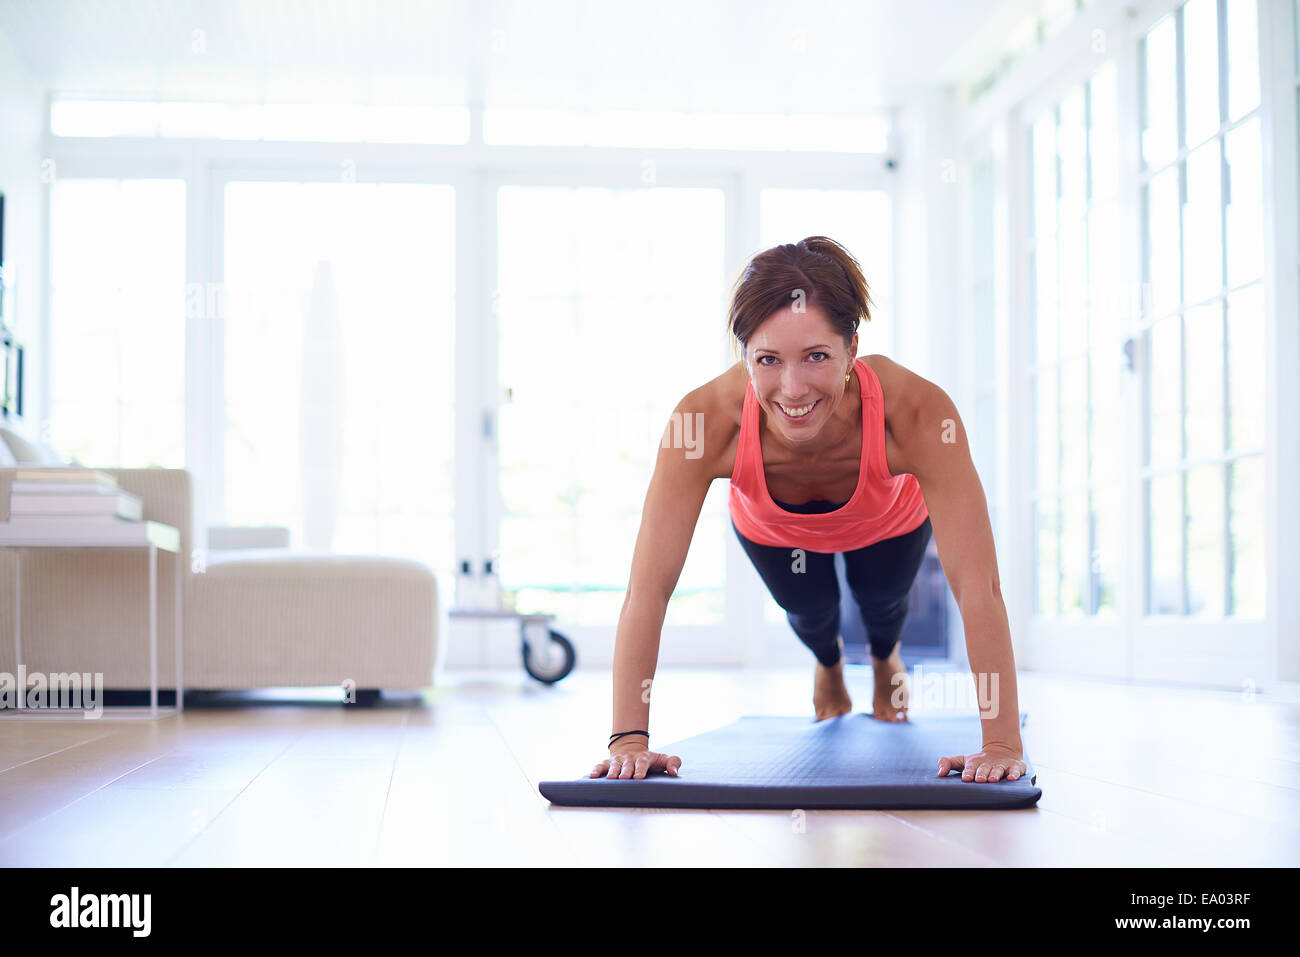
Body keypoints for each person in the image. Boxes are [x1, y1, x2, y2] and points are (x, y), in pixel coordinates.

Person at [591, 236, 1027, 785]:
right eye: (768, 360)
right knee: (810, 611)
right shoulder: (701, 422)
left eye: (816, 356)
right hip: (776, 532)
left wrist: (1002, 743)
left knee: (884, 601)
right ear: (743, 356)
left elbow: (979, 588)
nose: (792, 389)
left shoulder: (917, 410)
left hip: (887, 521)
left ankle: (884, 656)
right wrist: (628, 739)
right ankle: (828, 661)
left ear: (851, 349)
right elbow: (647, 590)